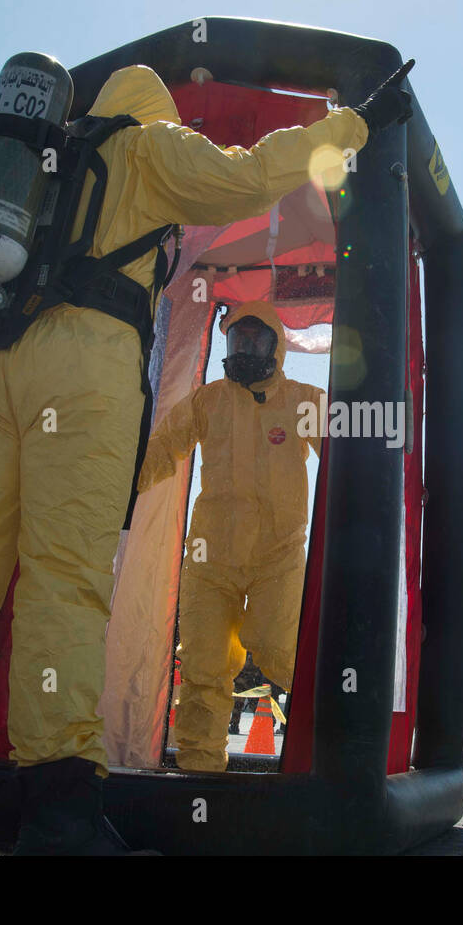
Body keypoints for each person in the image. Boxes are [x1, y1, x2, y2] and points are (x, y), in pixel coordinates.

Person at [0, 61, 411, 853]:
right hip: (85, 369)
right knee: (64, 582)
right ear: (156, 111)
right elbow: (256, 175)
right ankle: (59, 814)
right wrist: (355, 124)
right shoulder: (150, 151)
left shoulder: (33, 167)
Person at [138, 301, 322, 772]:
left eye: (254, 340)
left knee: (280, 650)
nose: (243, 348)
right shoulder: (208, 400)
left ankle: (331, 750)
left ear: (274, 346)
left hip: (277, 557)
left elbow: (357, 453)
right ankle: (200, 771)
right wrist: (116, 483)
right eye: (236, 339)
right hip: (210, 559)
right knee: (204, 665)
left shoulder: (303, 401)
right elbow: (162, 449)